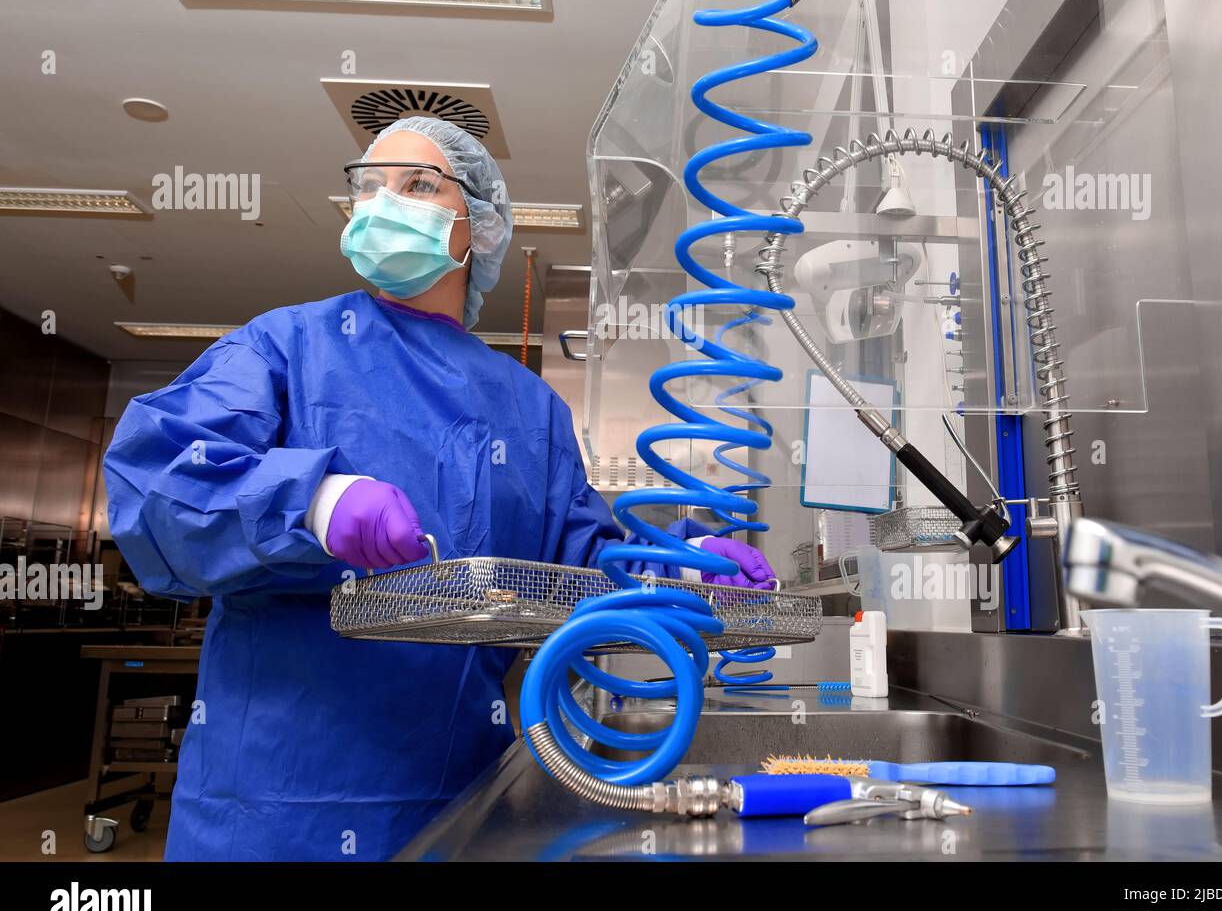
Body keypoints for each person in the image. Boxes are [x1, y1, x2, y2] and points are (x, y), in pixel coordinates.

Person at [103, 116, 776, 861]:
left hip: (461, 795)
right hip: (271, 808)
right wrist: (316, 504)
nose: (384, 204)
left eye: (418, 184)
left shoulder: (529, 409)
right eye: (368, 186)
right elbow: (157, 482)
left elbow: (585, 570)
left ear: (478, 226)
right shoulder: (286, 347)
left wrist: (687, 571)